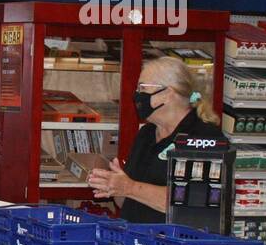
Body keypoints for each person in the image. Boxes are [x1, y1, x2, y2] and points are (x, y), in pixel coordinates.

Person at [87, 55, 221, 223]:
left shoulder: (204, 137)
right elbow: (127, 201)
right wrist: (114, 186)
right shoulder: (147, 134)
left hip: (176, 243)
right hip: (136, 239)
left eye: (143, 88)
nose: (137, 95)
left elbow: (189, 201)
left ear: (167, 93)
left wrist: (129, 187)